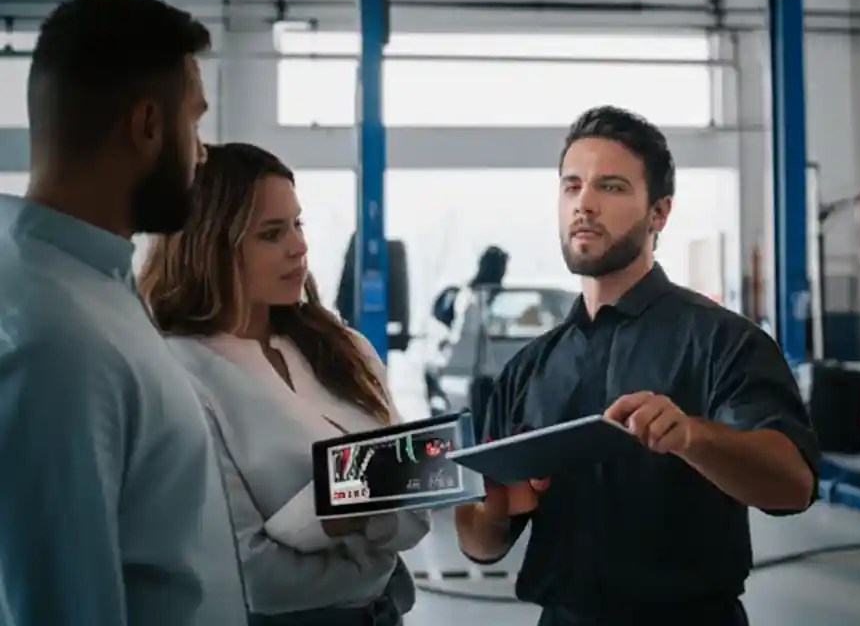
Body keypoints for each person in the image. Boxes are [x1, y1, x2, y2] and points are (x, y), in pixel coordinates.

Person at [454, 105, 822, 626]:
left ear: (659, 213)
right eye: (572, 186)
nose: (584, 204)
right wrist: (492, 509)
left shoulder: (723, 341)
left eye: (611, 187)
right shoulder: (528, 369)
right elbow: (479, 543)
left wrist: (693, 437)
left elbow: (793, 484)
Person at [0, 0, 246, 625]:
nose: (200, 153)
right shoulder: (58, 340)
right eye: (195, 122)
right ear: (147, 126)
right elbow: (62, 608)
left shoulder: (95, 285)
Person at [137, 142, 429, 625]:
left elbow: (416, 509)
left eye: (298, 224)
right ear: (208, 247)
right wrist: (370, 555)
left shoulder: (343, 347)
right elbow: (253, 576)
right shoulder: (177, 372)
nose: (299, 246)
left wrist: (323, 519)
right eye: (272, 233)